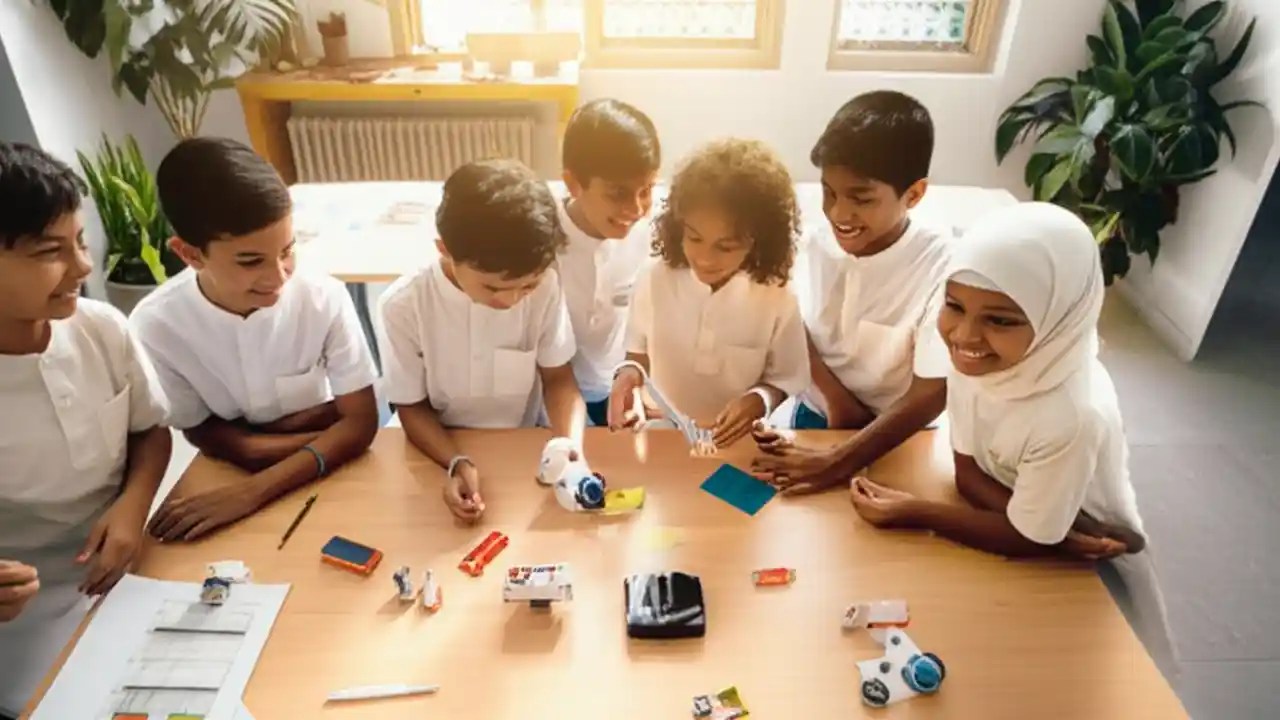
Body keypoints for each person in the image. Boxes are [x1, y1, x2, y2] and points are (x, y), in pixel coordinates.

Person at [847, 202, 1176, 679]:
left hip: (1087, 561)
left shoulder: (1071, 416)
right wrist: (1046, 530)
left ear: (1057, 315)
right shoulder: (970, 355)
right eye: (954, 306)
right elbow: (966, 473)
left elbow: (1028, 538)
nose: (964, 335)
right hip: (1044, 528)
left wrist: (912, 512)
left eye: (1000, 320)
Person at [131, 137, 379, 542]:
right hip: (244, 474)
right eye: (250, 261)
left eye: (288, 250)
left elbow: (362, 422)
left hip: (321, 486)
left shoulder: (322, 298)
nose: (279, 275)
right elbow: (202, 432)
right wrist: (329, 429)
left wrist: (251, 486)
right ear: (190, 255)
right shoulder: (155, 325)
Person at [0, 142, 171, 717]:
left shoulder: (100, 327)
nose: (83, 267)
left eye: (79, 240)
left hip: (134, 557)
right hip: (24, 612)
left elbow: (150, 431)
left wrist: (133, 506)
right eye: (51, 251)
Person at [751, 91, 951, 494]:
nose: (839, 213)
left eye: (861, 199)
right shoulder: (811, 242)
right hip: (818, 411)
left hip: (900, 432)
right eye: (829, 192)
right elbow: (790, 321)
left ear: (913, 195)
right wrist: (835, 401)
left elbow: (932, 393)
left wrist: (840, 458)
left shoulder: (942, 264)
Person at [378, 159, 583, 522]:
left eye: (528, 285)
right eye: (492, 287)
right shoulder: (404, 305)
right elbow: (411, 406)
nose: (511, 300)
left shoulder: (547, 286)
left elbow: (559, 379)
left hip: (519, 446)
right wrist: (454, 462)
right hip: (435, 447)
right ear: (445, 250)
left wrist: (568, 446)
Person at [607, 138, 808, 448]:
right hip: (662, 436)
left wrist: (758, 400)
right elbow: (636, 356)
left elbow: (784, 379)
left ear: (758, 240)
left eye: (725, 247)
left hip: (738, 442)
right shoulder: (654, 277)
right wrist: (628, 380)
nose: (705, 258)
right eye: (694, 238)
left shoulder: (777, 294)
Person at [556, 99, 661, 426]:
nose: (636, 208)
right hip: (550, 393)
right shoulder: (539, 238)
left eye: (646, 190)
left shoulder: (653, 235)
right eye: (618, 193)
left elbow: (649, 322)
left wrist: (638, 379)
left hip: (616, 385)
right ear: (573, 184)